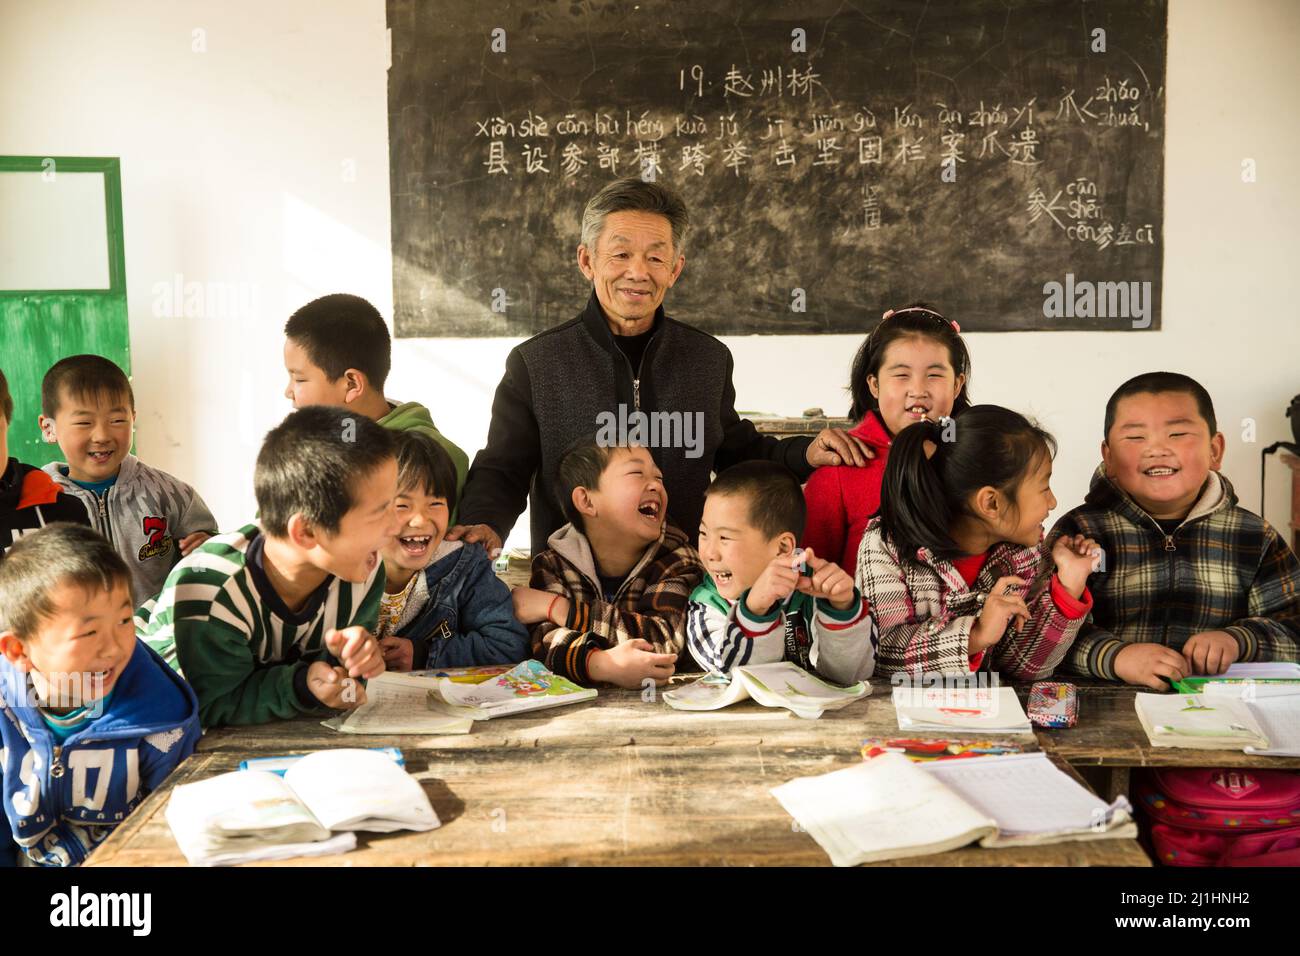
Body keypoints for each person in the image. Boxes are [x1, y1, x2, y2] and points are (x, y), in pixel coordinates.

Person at [450, 177, 873, 558]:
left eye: (655, 258)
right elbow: (502, 468)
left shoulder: (707, 359)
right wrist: (485, 522)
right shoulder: (537, 364)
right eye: (620, 254)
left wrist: (807, 453)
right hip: (570, 585)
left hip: (682, 582)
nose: (638, 272)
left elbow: (738, 454)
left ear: (675, 268)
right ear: (586, 261)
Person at [137, 406, 395, 727]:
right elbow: (208, 706)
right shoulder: (212, 592)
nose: (397, 526)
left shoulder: (361, 570)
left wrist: (351, 667)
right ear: (307, 532)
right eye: (379, 512)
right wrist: (299, 687)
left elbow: (336, 686)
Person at [1050, 372, 1300, 688]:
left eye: (1178, 434)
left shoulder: (1253, 536)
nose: (1157, 449)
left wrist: (1239, 640)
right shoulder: (1079, 534)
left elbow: (1292, 630)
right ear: (1108, 456)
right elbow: (1040, 636)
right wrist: (1115, 657)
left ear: (1215, 450)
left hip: (1218, 712)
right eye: (1135, 437)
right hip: (1101, 710)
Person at [0, 524, 200, 866]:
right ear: (19, 650)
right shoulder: (6, 711)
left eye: (124, 620)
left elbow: (177, 828)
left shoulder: (161, 716)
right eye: (89, 632)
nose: (114, 647)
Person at [856, 405, 1098, 680]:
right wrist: (976, 635)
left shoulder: (1025, 552)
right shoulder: (887, 544)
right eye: (1044, 487)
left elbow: (1026, 668)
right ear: (991, 503)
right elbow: (881, 653)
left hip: (988, 715)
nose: (1053, 502)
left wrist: (1069, 586)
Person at [511, 439, 704, 689]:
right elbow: (544, 645)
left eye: (659, 477)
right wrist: (602, 665)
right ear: (587, 502)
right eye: (637, 473)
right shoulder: (552, 564)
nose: (656, 484)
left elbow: (661, 643)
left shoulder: (678, 559)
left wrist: (562, 610)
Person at [802, 304, 970, 575]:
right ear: (874, 385)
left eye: (935, 375)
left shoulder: (977, 456)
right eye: (901, 375)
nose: (917, 390)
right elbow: (809, 577)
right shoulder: (840, 469)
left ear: (957, 385)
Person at [39, 355, 216, 605]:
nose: (102, 435)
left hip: (155, 638)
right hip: (74, 639)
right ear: (48, 428)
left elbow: (215, 560)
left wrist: (208, 546)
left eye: (117, 421)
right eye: (84, 422)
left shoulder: (171, 494)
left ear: (133, 418)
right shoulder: (36, 502)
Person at [689, 461, 875, 684]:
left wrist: (842, 610)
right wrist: (754, 611)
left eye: (724, 538)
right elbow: (738, 677)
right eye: (703, 533)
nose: (709, 553)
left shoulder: (813, 590)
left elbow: (850, 676)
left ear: (783, 548)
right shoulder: (705, 605)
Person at [375, 431, 529, 671]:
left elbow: (508, 644)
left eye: (435, 504)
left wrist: (424, 654)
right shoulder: (335, 569)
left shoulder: (464, 565)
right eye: (402, 505)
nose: (420, 520)